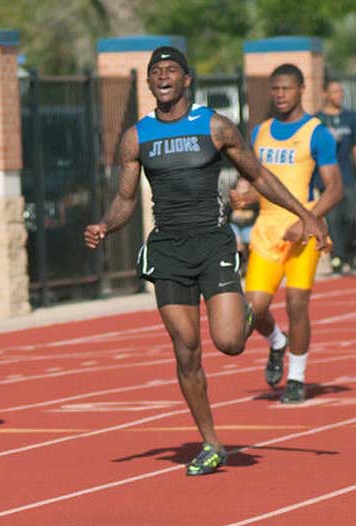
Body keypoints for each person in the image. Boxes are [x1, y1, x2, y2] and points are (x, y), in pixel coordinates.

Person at [84, 48, 329, 476]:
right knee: (186, 351)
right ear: (149, 83)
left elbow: (259, 176)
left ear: (186, 79)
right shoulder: (136, 137)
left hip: (213, 244)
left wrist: (306, 213)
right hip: (167, 250)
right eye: (155, 72)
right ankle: (212, 442)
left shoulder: (214, 126)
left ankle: (259, 325)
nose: (162, 77)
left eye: (170, 71)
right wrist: (106, 225)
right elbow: (124, 199)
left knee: (230, 342)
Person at [230, 64, 342, 404]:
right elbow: (255, 178)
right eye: (275, 89)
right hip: (266, 229)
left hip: (302, 231)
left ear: (301, 89)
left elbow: (335, 189)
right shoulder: (259, 132)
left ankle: (296, 377)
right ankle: (278, 342)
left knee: (297, 303)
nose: (280, 94)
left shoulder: (316, 132)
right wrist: (243, 194)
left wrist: (307, 218)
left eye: (286, 88)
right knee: (254, 309)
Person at [315, 78, 356, 274]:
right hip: (327, 180)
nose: (340, 95)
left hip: (347, 176)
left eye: (341, 91)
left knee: (350, 216)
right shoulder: (318, 120)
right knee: (333, 220)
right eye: (335, 91)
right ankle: (337, 259)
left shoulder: (351, 117)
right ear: (325, 94)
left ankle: (349, 254)